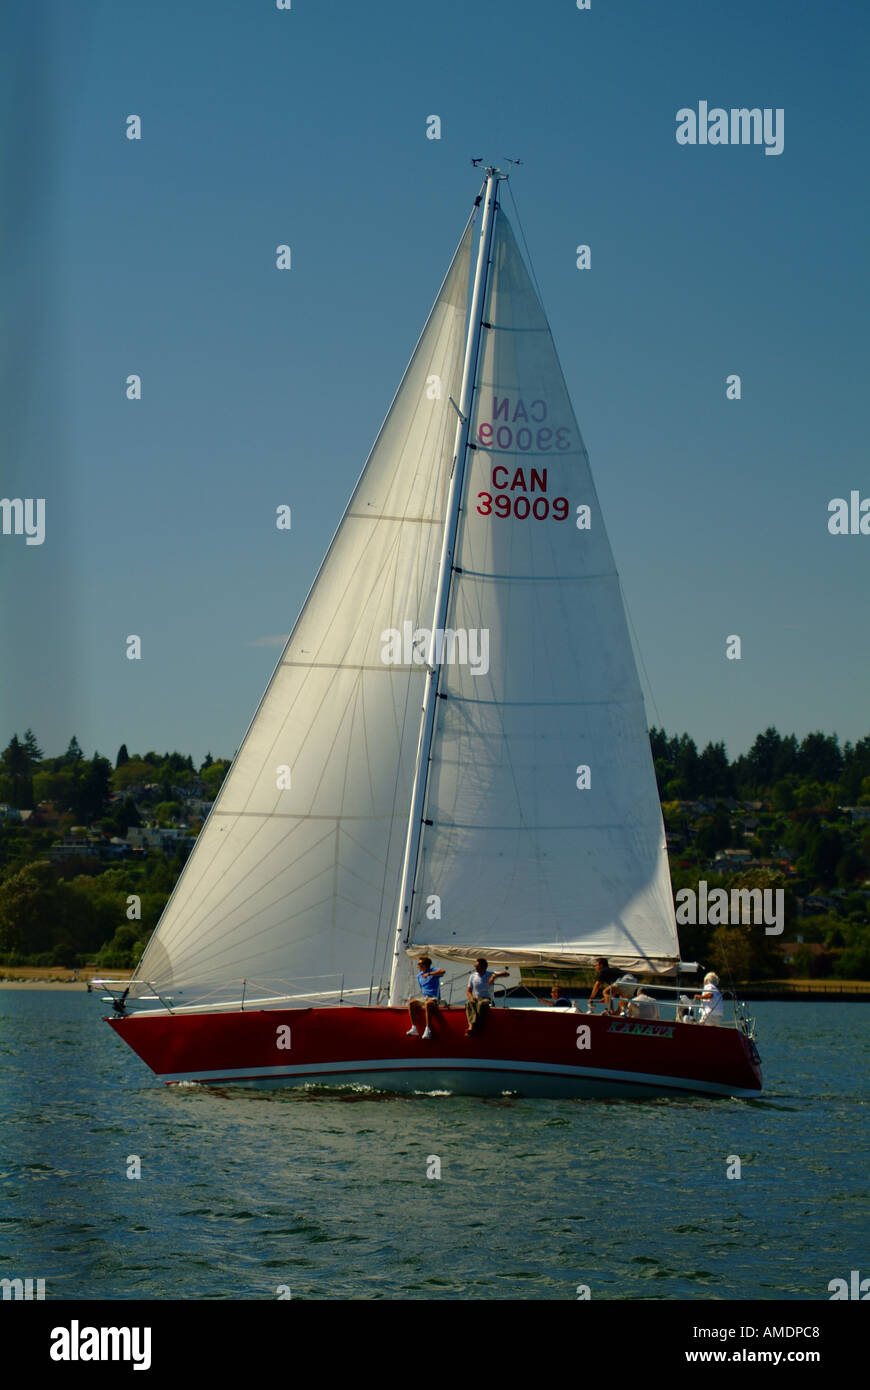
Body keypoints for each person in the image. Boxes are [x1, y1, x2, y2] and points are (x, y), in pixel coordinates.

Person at [466, 958, 509, 1035]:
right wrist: (471, 997)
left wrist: (494, 976)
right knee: (469, 1003)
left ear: (483, 967)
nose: (475, 967)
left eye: (476, 966)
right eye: (475, 966)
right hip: (476, 998)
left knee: (481, 1004)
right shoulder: (472, 976)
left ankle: (477, 1026)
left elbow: (506, 973)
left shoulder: (490, 974)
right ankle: (471, 1025)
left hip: (487, 999)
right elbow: (468, 991)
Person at [406, 955, 445, 1040]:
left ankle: (428, 1029)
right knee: (411, 1003)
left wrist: (429, 974)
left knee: (428, 1004)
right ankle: (414, 1028)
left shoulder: (432, 970)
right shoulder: (419, 976)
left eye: (418, 964)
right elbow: (422, 988)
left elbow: (443, 971)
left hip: (433, 998)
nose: (417, 966)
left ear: (423, 965)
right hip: (424, 998)